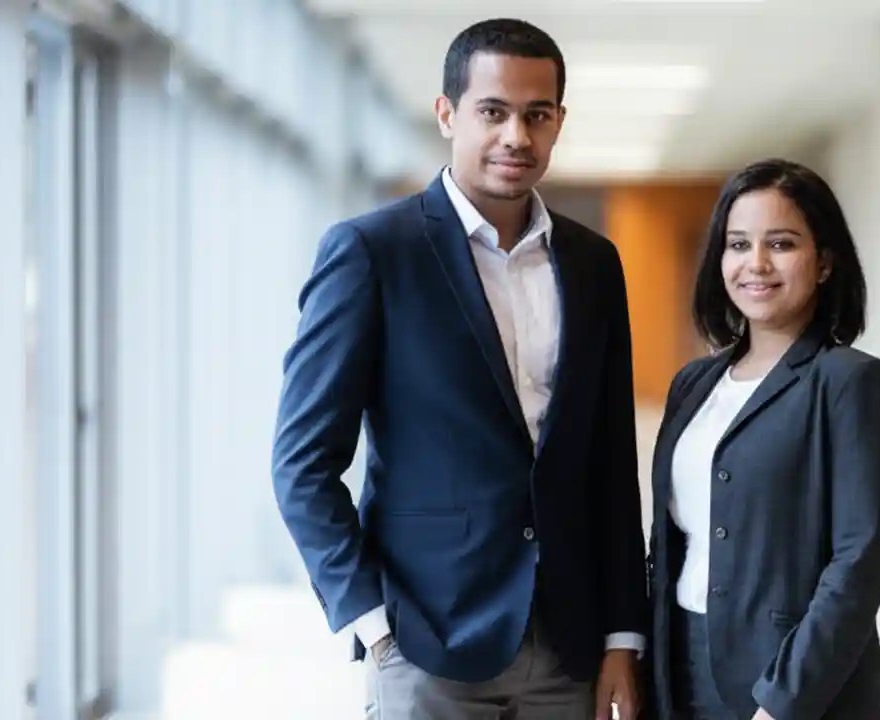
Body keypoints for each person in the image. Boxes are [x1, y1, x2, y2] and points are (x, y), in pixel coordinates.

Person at [271, 18, 647, 720]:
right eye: (493, 112)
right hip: (427, 643)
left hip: (569, 642)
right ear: (447, 114)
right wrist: (373, 625)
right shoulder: (373, 252)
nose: (516, 136)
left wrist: (623, 635)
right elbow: (301, 461)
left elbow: (609, 464)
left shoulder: (594, 265)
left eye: (537, 115)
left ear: (558, 122)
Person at [646, 159, 880, 719]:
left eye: (781, 244)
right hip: (683, 671)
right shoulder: (694, 384)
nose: (755, 264)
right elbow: (670, 543)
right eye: (738, 244)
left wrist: (783, 703)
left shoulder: (849, 382)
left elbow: (856, 565)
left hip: (793, 683)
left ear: (825, 262)